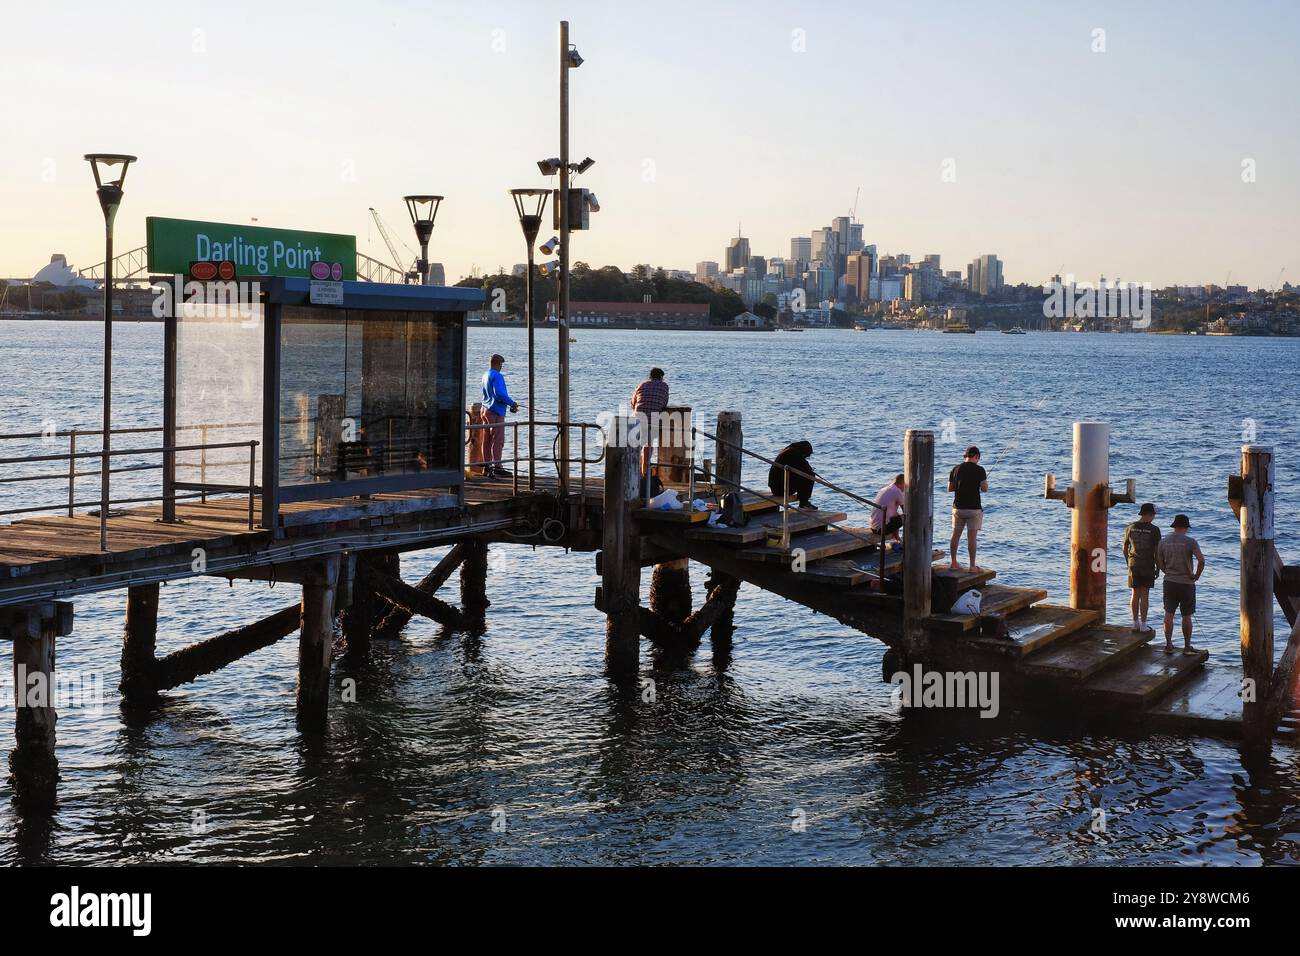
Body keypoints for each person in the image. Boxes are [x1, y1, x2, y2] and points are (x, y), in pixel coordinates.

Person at [1155, 513, 1205, 656]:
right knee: (1186, 616)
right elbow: (1201, 560)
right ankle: (1187, 647)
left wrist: (1166, 571)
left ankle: (1168, 645)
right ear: (1186, 527)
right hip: (1186, 584)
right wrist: (1196, 576)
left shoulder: (1163, 541)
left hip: (1169, 582)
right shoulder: (1190, 542)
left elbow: (1158, 561)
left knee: (1168, 614)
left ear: (1175, 526)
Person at [1122, 502, 1162, 633]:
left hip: (1133, 564)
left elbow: (1124, 548)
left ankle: (1135, 623)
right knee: (1144, 594)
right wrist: (1158, 567)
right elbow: (1157, 551)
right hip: (1147, 564)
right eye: (1153, 515)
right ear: (1149, 514)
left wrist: (1128, 561)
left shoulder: (1130, 527)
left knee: (1134, 593)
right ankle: (1144, 624)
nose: (1154, 517)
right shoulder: (1154, 530)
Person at [947, 446, 988, 571]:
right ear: (976, 456)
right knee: (972, 538)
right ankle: (972, 566)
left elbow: (950, 488)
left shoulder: (955, 469)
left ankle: (953, 563)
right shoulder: (980, 470)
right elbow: (984, 488)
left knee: (955, 535)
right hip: (973, 509)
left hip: (958, 508)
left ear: (965, 456)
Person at [480, 353, 518, 478]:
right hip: (496, 411)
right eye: (501, 364)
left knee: (487, 439)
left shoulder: (486, 375)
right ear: (497, 363)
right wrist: (512, 403)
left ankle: (487, 466)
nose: (502, 366)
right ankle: (497, 466)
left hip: (485, 409)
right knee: (498, 440)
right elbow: (499, 394)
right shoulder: (497, 376)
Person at [629, 367, 669, 481]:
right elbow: (664, 404)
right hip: (653, 420)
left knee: (637, 445)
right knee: (649, 444)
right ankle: (644, 472)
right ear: (661, 377)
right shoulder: (664, 386)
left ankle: (634, 471)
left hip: (637, 419)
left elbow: (633, 403)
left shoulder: (641, 385)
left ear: (650, 376)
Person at [769, 441, 816, 509]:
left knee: (804, 475)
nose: (806, 457)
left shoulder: (788, 450)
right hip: (780, 489)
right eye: (806, 455)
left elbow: (802, 466)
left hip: (775, 487)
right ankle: (804, 503)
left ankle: (804, 502)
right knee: (810, 476)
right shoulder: (794, 453)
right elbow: (807, 469)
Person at [870, 474, 906, 543]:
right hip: (881, 529)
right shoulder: (897, 492)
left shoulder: (884, 489)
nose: (905, 488)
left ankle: (897, 538)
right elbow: (906, 511)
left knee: (896, 515)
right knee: (906, 517)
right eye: (905, 486)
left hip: (873, 527)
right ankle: (906, 541)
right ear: (902, 483)